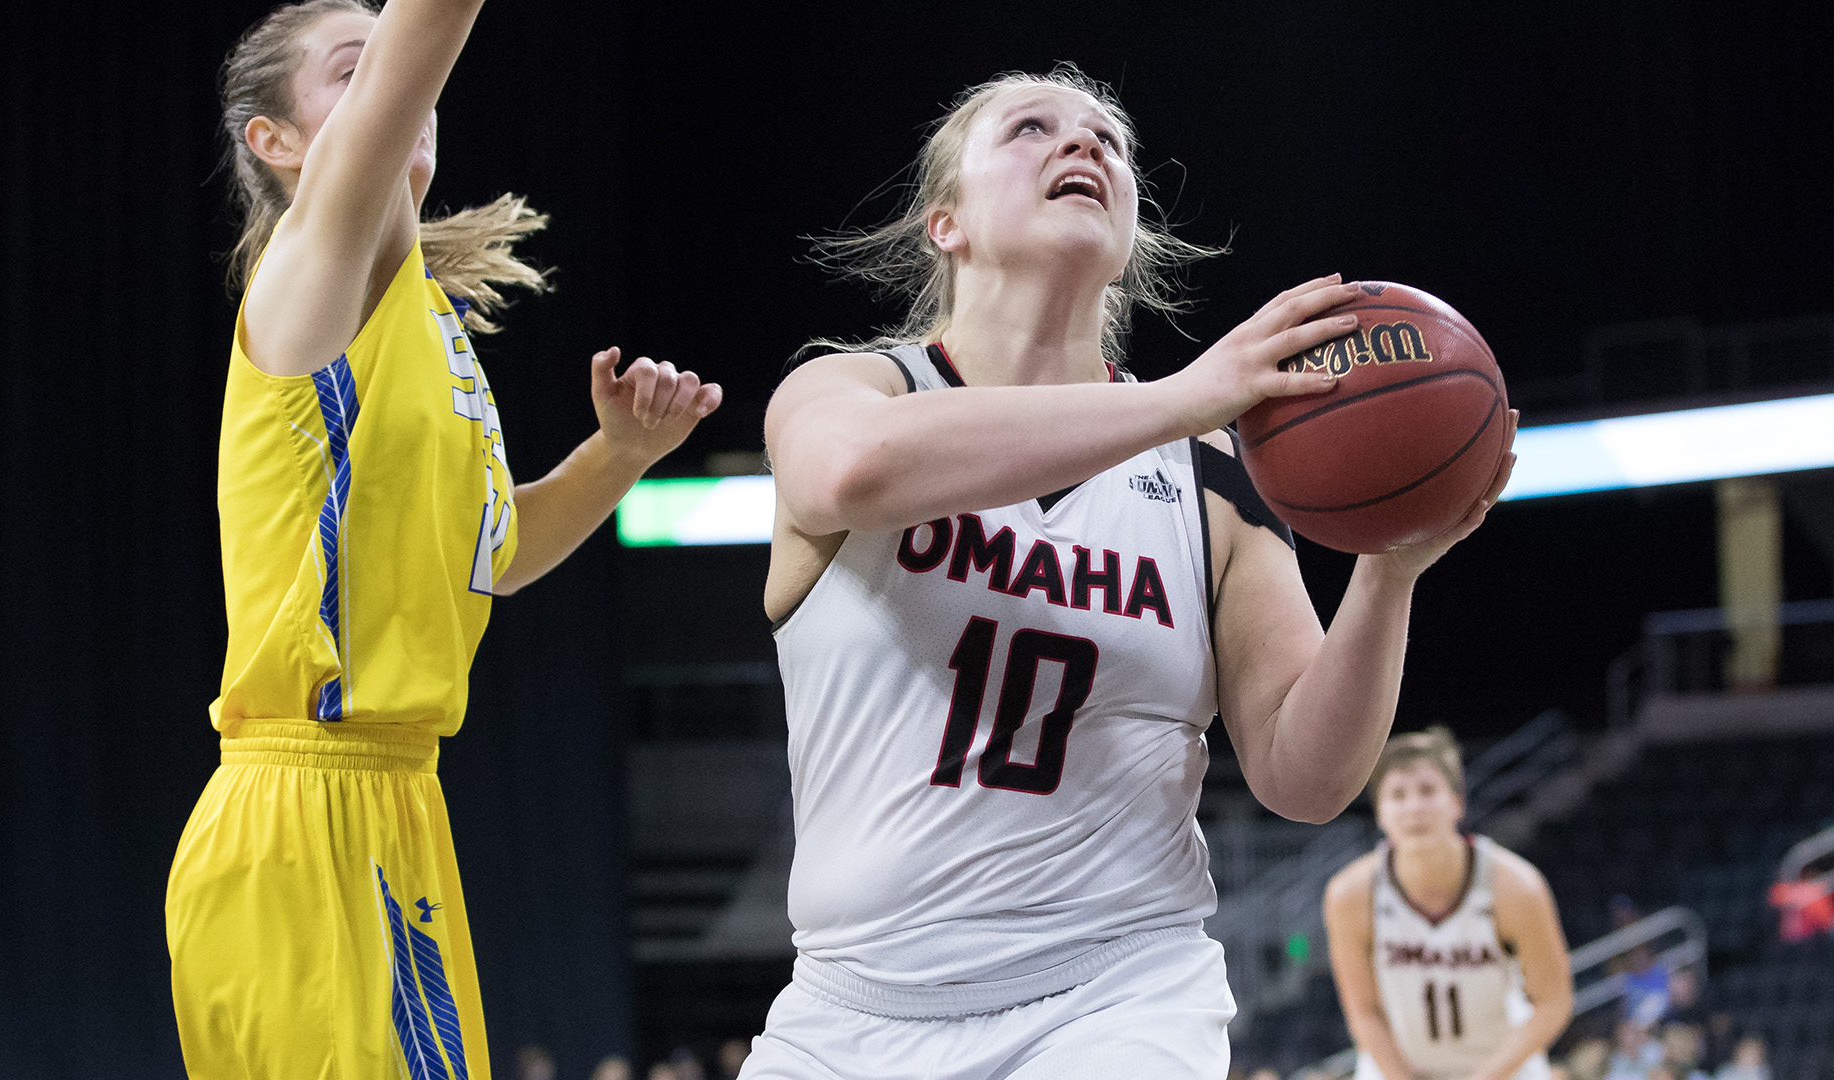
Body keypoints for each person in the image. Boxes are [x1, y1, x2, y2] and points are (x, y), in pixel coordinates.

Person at [749, 65, 1516, 1080]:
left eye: (1110, 140)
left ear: (1128, 246)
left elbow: (1306, 777)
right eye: (1032, 128)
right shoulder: (850, 390)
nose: (1086, 147)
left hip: (1116, 993)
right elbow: (849, 473)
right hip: (849, 1009)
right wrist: (1190, 397)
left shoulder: (1213, 477)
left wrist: (1387, 573)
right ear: (947, 222)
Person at [165, 2, 720, 1077]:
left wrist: (618, 456)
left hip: (395, 802)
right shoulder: (312, 271)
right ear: (274, 144)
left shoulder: (425, 325)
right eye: (351, 72)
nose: (392, 86)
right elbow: (419, 52)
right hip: (302, 808)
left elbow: (497, 556)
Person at [1324, 728, 1573, 1080]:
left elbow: (1553, 1002)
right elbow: (1363, 1012)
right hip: (1399, 1067)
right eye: (1397, 795)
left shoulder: (1516, 887)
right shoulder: (1350, 894)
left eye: (1427, 791)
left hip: (1502, 1065)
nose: (1414, 808)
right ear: (1380, 813)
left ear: (1457, 803)